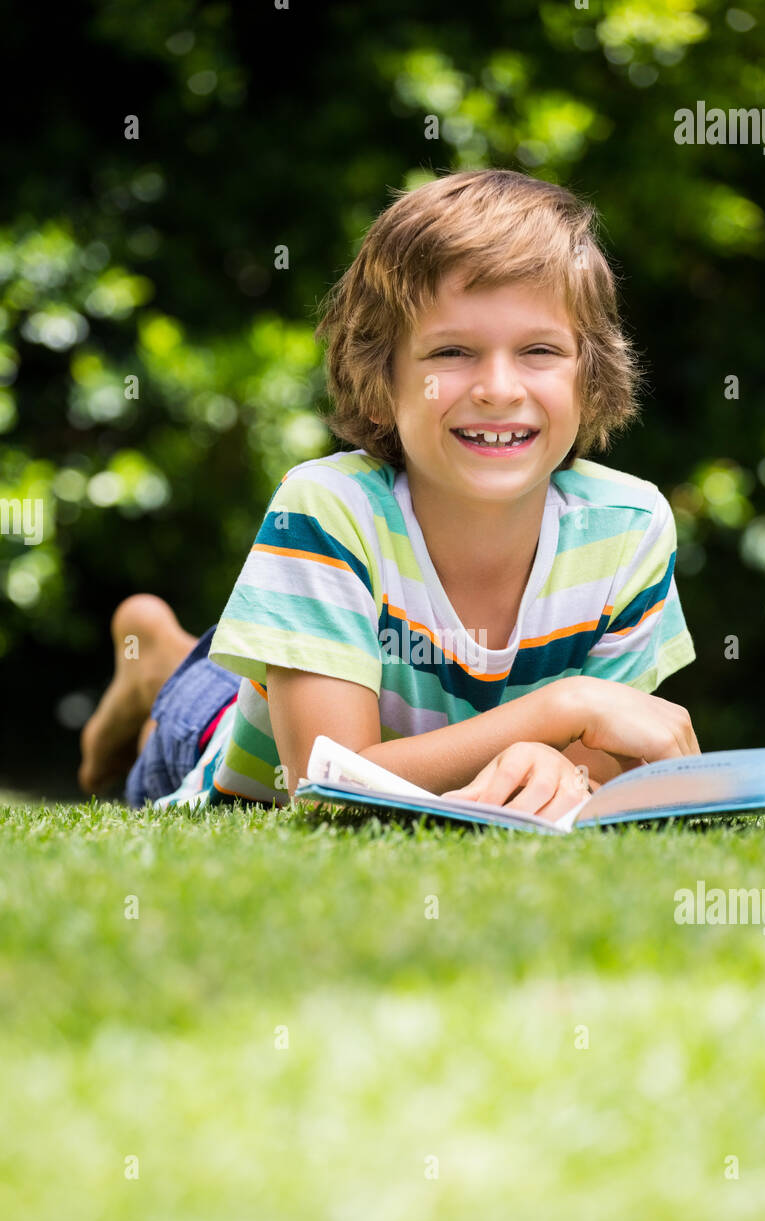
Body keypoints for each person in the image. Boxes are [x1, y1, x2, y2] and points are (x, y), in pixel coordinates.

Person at [79, 168, 699, 823]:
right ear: (382, 382)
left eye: (539, 350)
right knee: (196, 709)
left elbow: (606, 759)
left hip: (312, 671)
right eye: (452, 351)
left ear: (588, 376)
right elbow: (323, 782)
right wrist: (562, 709)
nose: (498, 388)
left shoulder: (630, 527)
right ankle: (155, 662)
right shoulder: (326, 510)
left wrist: (562, 762)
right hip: (230, 742)